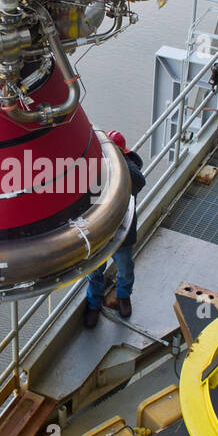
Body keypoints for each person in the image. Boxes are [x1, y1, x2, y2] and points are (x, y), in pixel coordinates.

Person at [84, 131, 146, 327]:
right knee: (94, 272)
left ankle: (123, 297)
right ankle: (93, 304)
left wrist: (117, 163)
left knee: (125, 268)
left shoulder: (130, 169)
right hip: (98, 233)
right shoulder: (94, 168)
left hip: (122, 232)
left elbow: (139, 182)